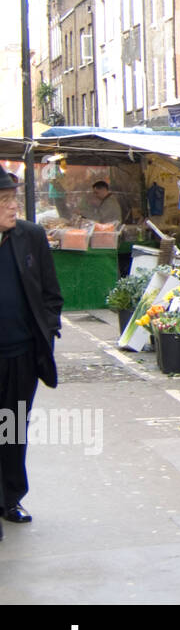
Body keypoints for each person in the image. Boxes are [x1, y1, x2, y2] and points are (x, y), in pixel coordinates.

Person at [0, 169, 63, 539]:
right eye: (5, 202)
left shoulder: (31, 237)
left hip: (21, 355)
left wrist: (49, 326)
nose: (13, 207)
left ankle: (10, 498)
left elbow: (51, 294)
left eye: (13, 199)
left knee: (11, 429)